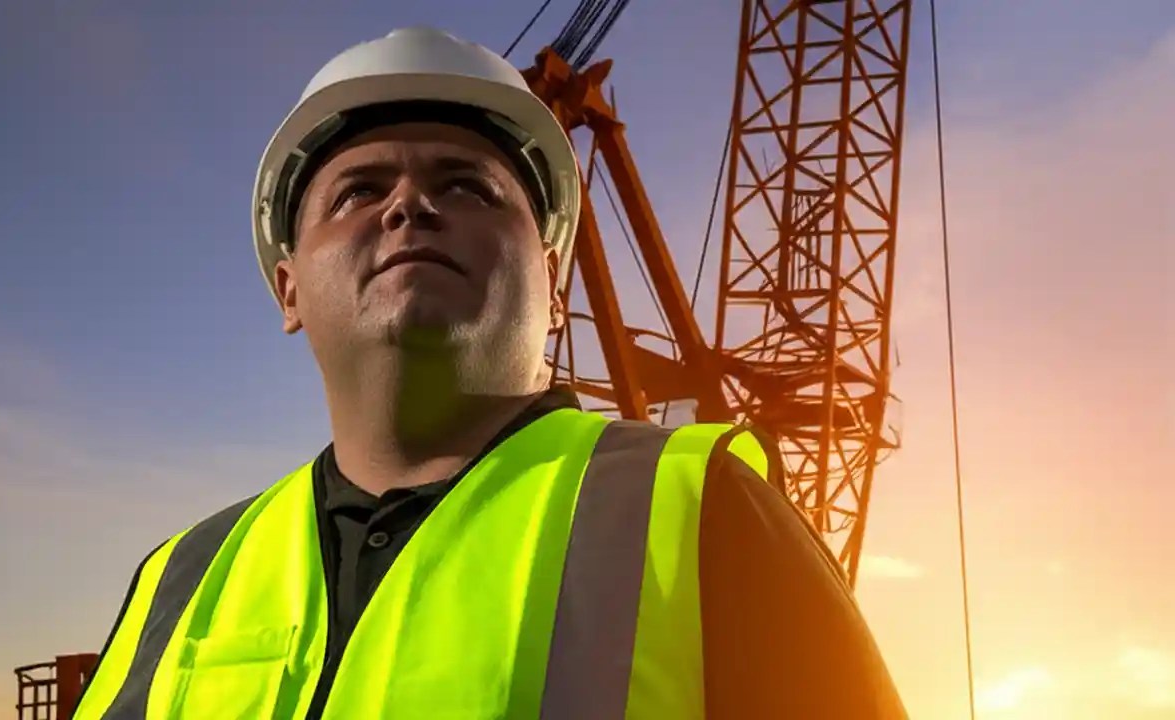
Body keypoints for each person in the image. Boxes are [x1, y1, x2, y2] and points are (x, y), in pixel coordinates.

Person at [71, 27, 906, 720]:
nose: (407, 206)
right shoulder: (180, 578)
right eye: (358, 191)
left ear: (552, 283)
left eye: (467, 186)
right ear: (289, 289)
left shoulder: (699, 510)